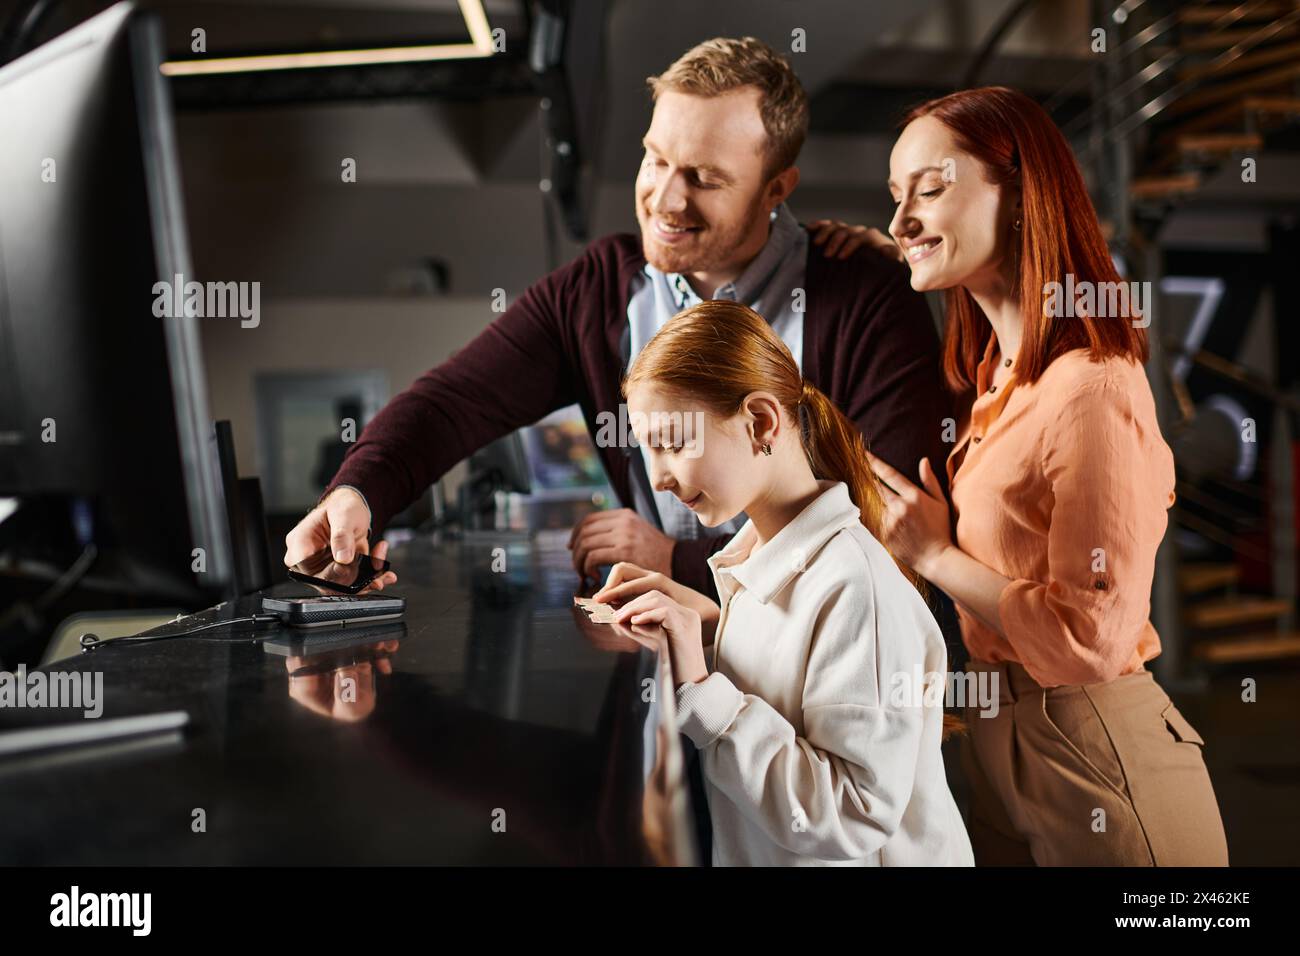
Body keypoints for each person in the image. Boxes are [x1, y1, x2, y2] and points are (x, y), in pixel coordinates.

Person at [282, 36, 950, 606]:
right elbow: (455, 402)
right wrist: (356, 494)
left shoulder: (866, 295)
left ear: (778, 188)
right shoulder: (599, 289)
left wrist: (676, 561)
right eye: (656, 158)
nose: (665, 198)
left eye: (704, 178)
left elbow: (885, 526)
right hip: (673, 656)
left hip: (820, 667)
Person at [870, 86, 1228, 865]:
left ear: (1024, 196)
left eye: (930, 190)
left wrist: (936, 556)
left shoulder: (1093, 385)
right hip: (999, 744)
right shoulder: (1000, 381)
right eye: (895, 197)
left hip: (1098, 746)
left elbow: (1087, 637)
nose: (902, 221)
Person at [591, 300, 973, 866]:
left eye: (672, 443)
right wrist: (709, 627)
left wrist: (703, 690)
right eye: (647, 449)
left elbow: (853, 812)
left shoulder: (852, 586)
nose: (660, 478)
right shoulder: (763, 558)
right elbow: (795, 684)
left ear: (762, 422)